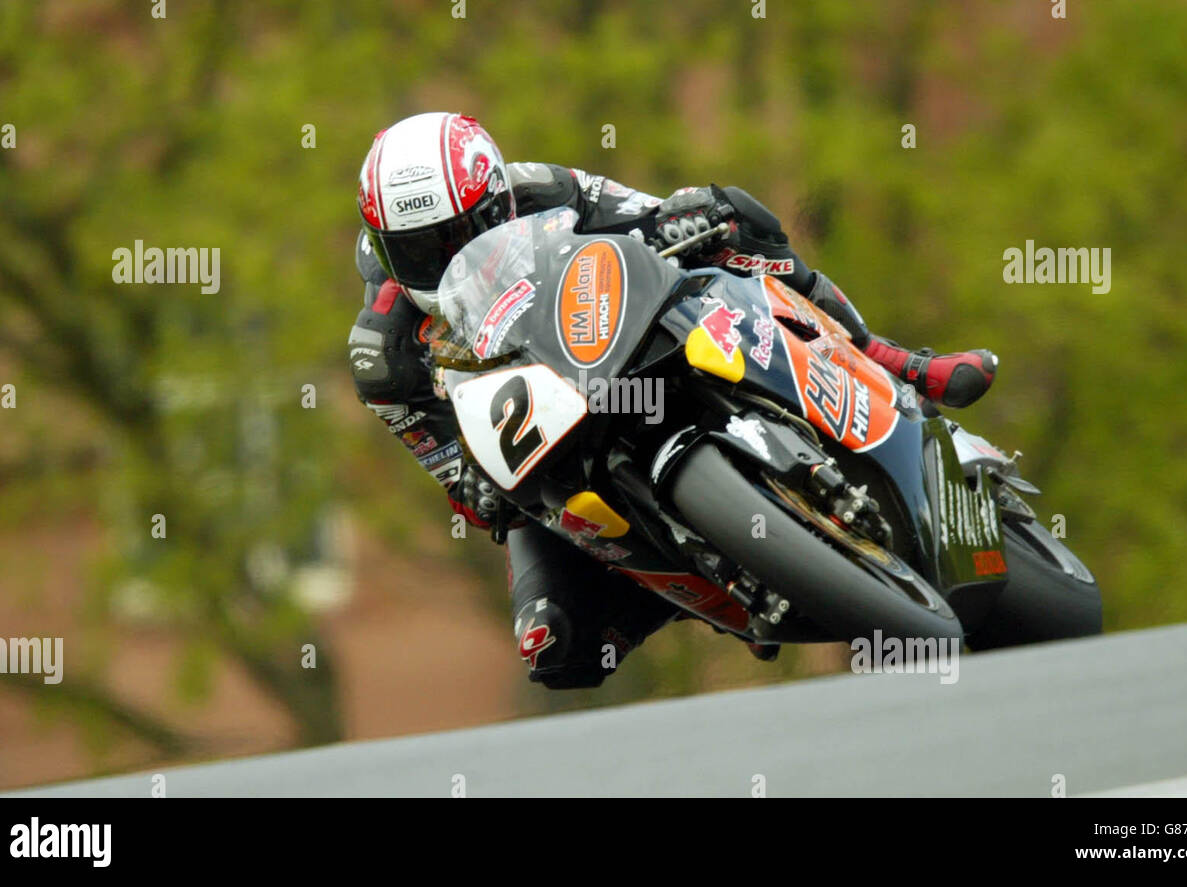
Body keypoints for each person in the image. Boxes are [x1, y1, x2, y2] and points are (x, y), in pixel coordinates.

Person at [347, 112, 997, 688]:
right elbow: (451, 469)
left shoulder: (538, 188)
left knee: (737, 217)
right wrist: (475, 489)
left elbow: (646, 213)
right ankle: (691, 580)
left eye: (463, 232)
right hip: (543, 451)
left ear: (497, 202)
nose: (448, 256)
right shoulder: (383, 355)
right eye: (418, 250)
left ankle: (895, 361)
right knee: (558, 649)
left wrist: (688, 216)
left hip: (616, 346)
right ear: (381, 245)